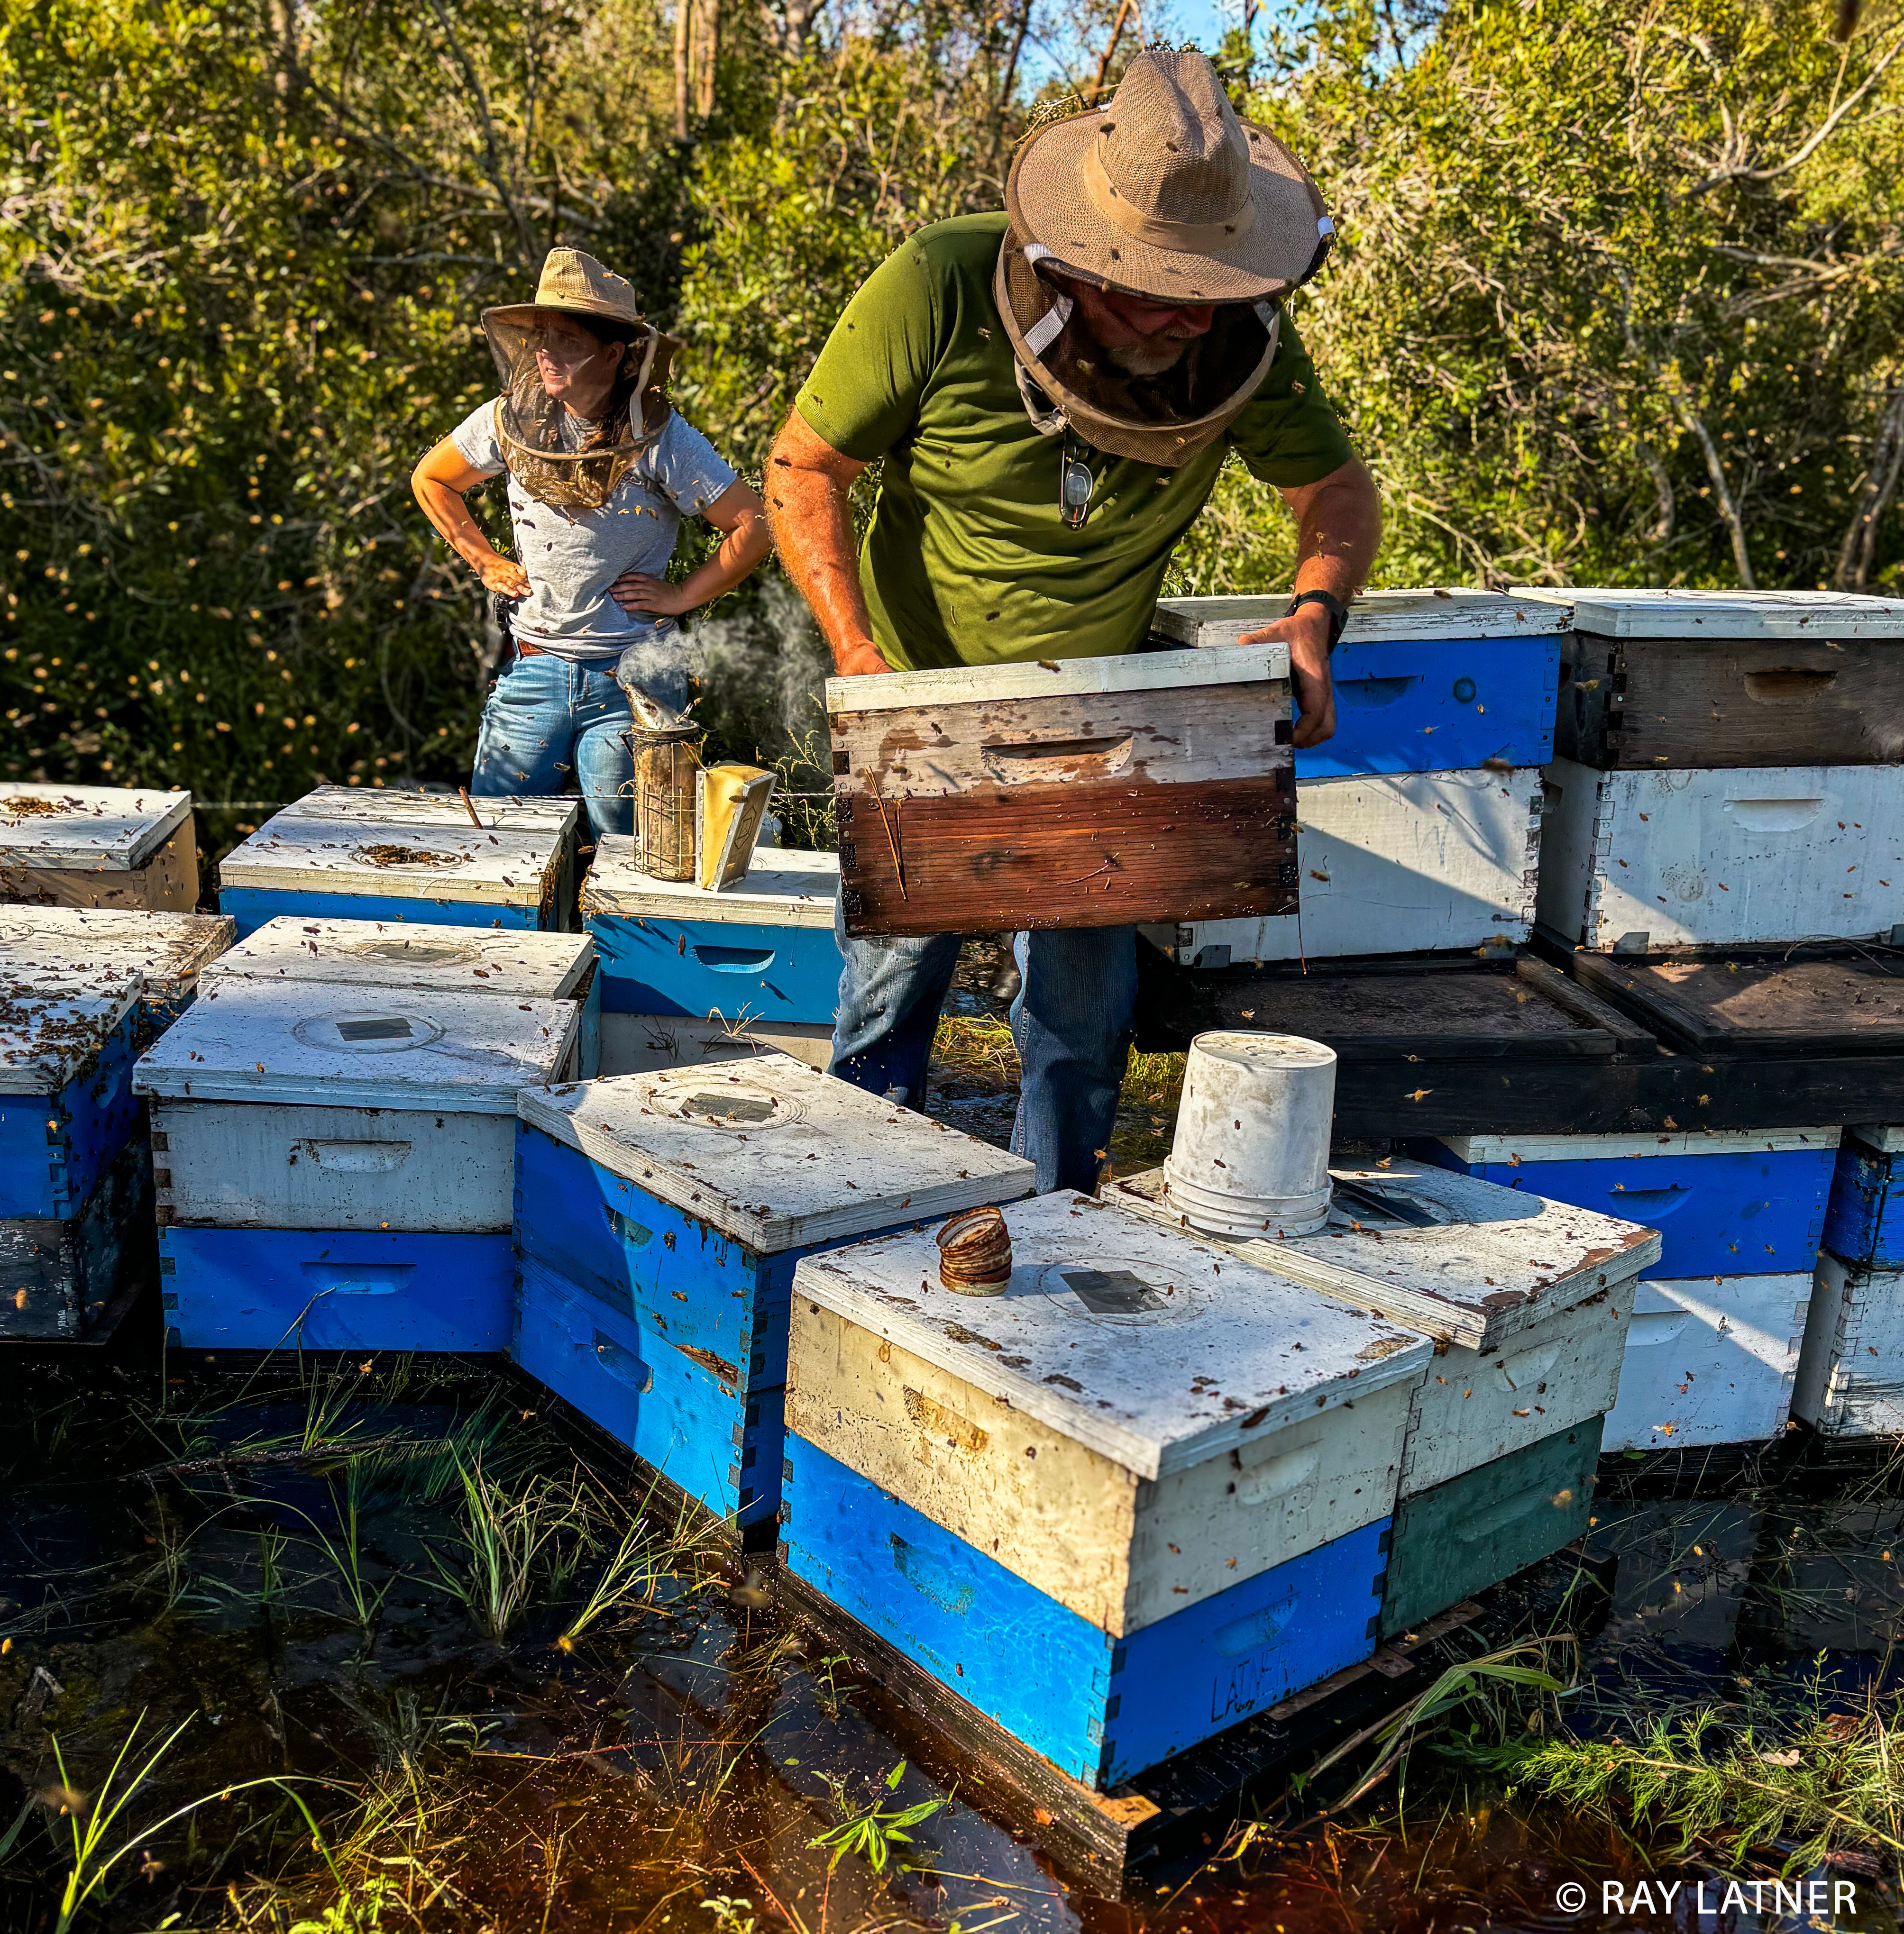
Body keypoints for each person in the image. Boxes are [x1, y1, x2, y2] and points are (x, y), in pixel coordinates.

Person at [767, 49, 1382, 1195]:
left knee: (1082, 1017)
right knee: (894, 981)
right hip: (917, 697)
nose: (1168, 317)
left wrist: (1313, 616)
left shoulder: (1243, 336)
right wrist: (856, 659)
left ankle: (1056, 1221)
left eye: (1194, 294)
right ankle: (847, 1218)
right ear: (1061, 255)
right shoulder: (938, 283)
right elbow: (804, 468)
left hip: (1104, 716)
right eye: (1138, 286)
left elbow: (1334, 492)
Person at [412, 248, 770, 834]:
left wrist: (682, 594)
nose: (547, 354)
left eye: (568, 341)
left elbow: (753, 524)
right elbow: (432, 478)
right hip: (534, 670)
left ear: (613, 353)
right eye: (542, 338)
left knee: (629, 847)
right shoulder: (509, 417)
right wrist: (484, 560)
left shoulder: (661, 438)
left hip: (635, 674)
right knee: (500, 839)